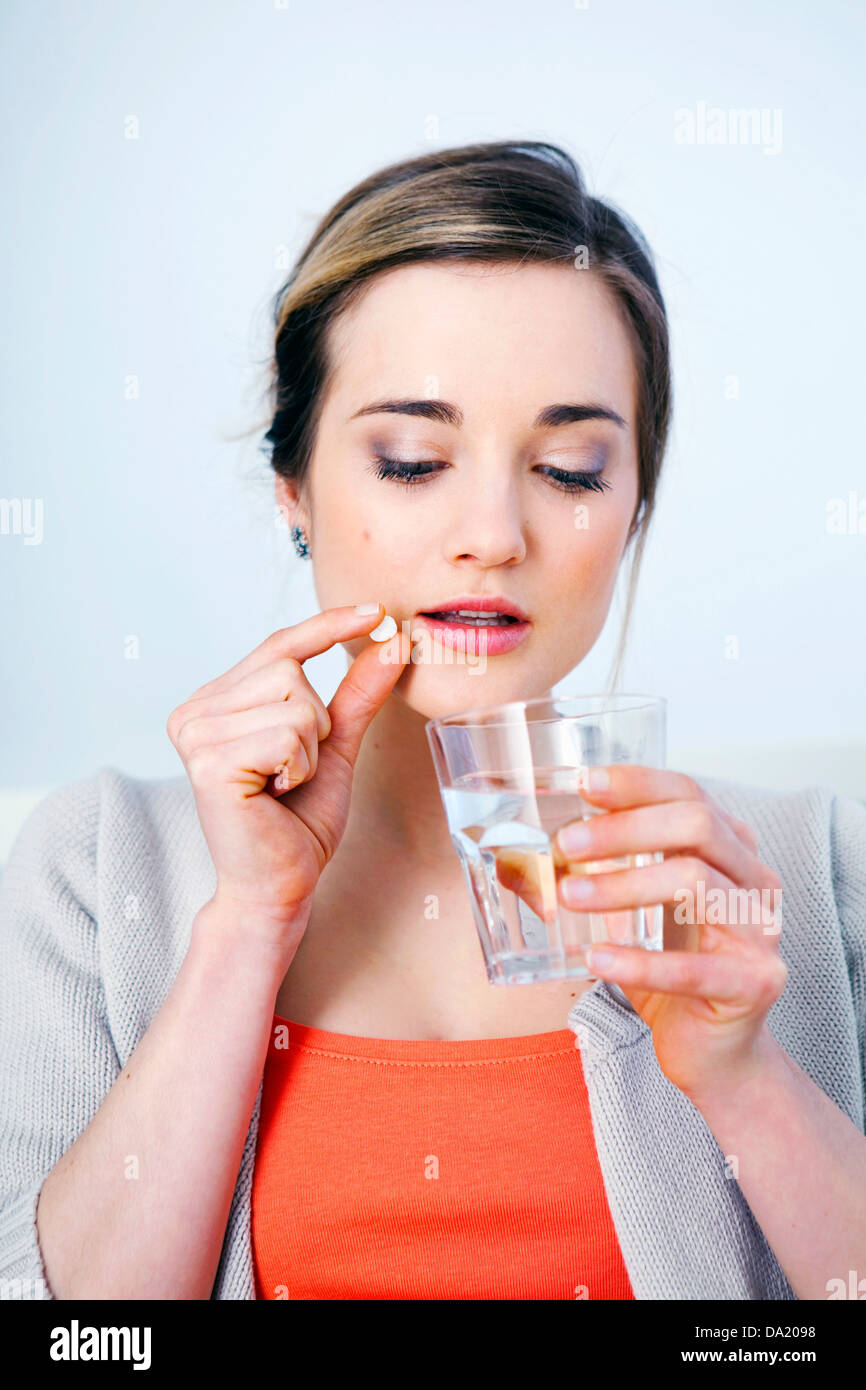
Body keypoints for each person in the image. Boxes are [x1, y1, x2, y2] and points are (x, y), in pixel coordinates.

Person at [1, 140, 864, 1302]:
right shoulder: (98, 875)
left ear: (634, 506)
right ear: (293, 490)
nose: (493, 533)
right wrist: (248, 923)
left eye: (567, 468)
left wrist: (745, 1077)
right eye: (412, 460)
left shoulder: (805, 874)